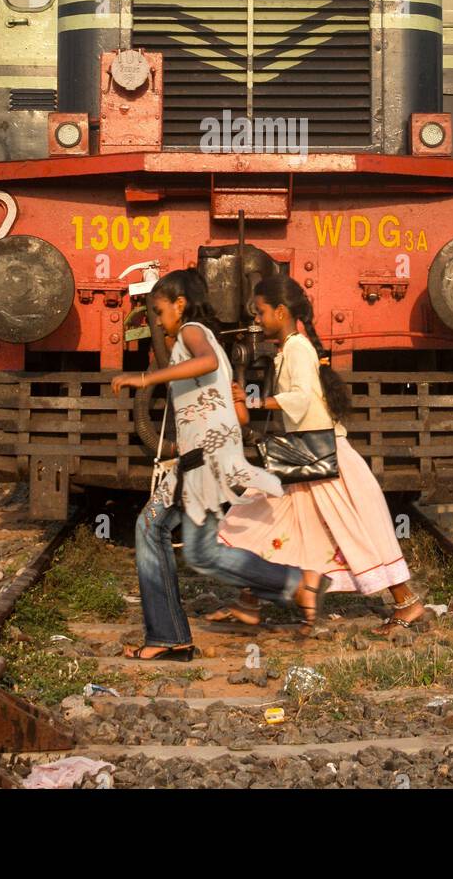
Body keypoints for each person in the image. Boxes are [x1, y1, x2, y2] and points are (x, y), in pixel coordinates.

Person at [112, 269, 331, 660]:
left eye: (160, 311)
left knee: (149, 527)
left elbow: (207, 361)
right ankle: (293, 583)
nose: (158, 321)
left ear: (180, 305)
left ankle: (166, 638)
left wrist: (145, 378)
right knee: (203, 554)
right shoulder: (196, 334)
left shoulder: (192, 331)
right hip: (209, 456)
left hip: (204, 461)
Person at [209, 275, 426, 635]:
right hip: (307, 456)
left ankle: (407, 602)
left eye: (261, 313)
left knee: (348, 530)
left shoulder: (297, 349)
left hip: (320, 459)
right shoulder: (293, 347)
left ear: (281, 312)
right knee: (267, 520)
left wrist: (254, 401)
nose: (257, 320)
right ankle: (248, 601)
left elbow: (303, 397)